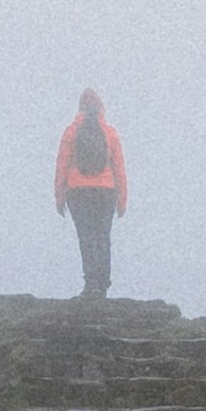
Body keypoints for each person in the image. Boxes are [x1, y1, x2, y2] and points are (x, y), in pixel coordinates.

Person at [54, 90, 128, 300]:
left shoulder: (71, 132)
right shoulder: (110, 133)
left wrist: (59, 197)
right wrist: (122, 199)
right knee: (103, 237)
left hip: (78, 191)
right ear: (101, 108)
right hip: (106, 191)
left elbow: (62, 166)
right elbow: (119, 168)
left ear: (81, 108)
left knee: (86, 237)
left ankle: (90, 284)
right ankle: (102, 286)